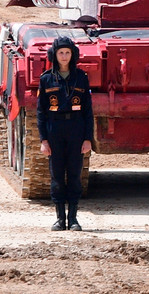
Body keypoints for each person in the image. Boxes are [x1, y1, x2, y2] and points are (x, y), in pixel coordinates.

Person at [37, 36, 94, 231]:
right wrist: (43, 140)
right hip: (55, 129)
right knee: (57, 176)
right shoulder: (46, 79)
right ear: (54, 55)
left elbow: (88, 111)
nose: (64, 56)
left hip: (76, 130)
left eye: (67, 53)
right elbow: (40, 112)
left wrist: (88, 138)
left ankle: (74, 218)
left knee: (75, 174)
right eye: (61, 53)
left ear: (73, 55)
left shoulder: (81, 77)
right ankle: (60, 218)